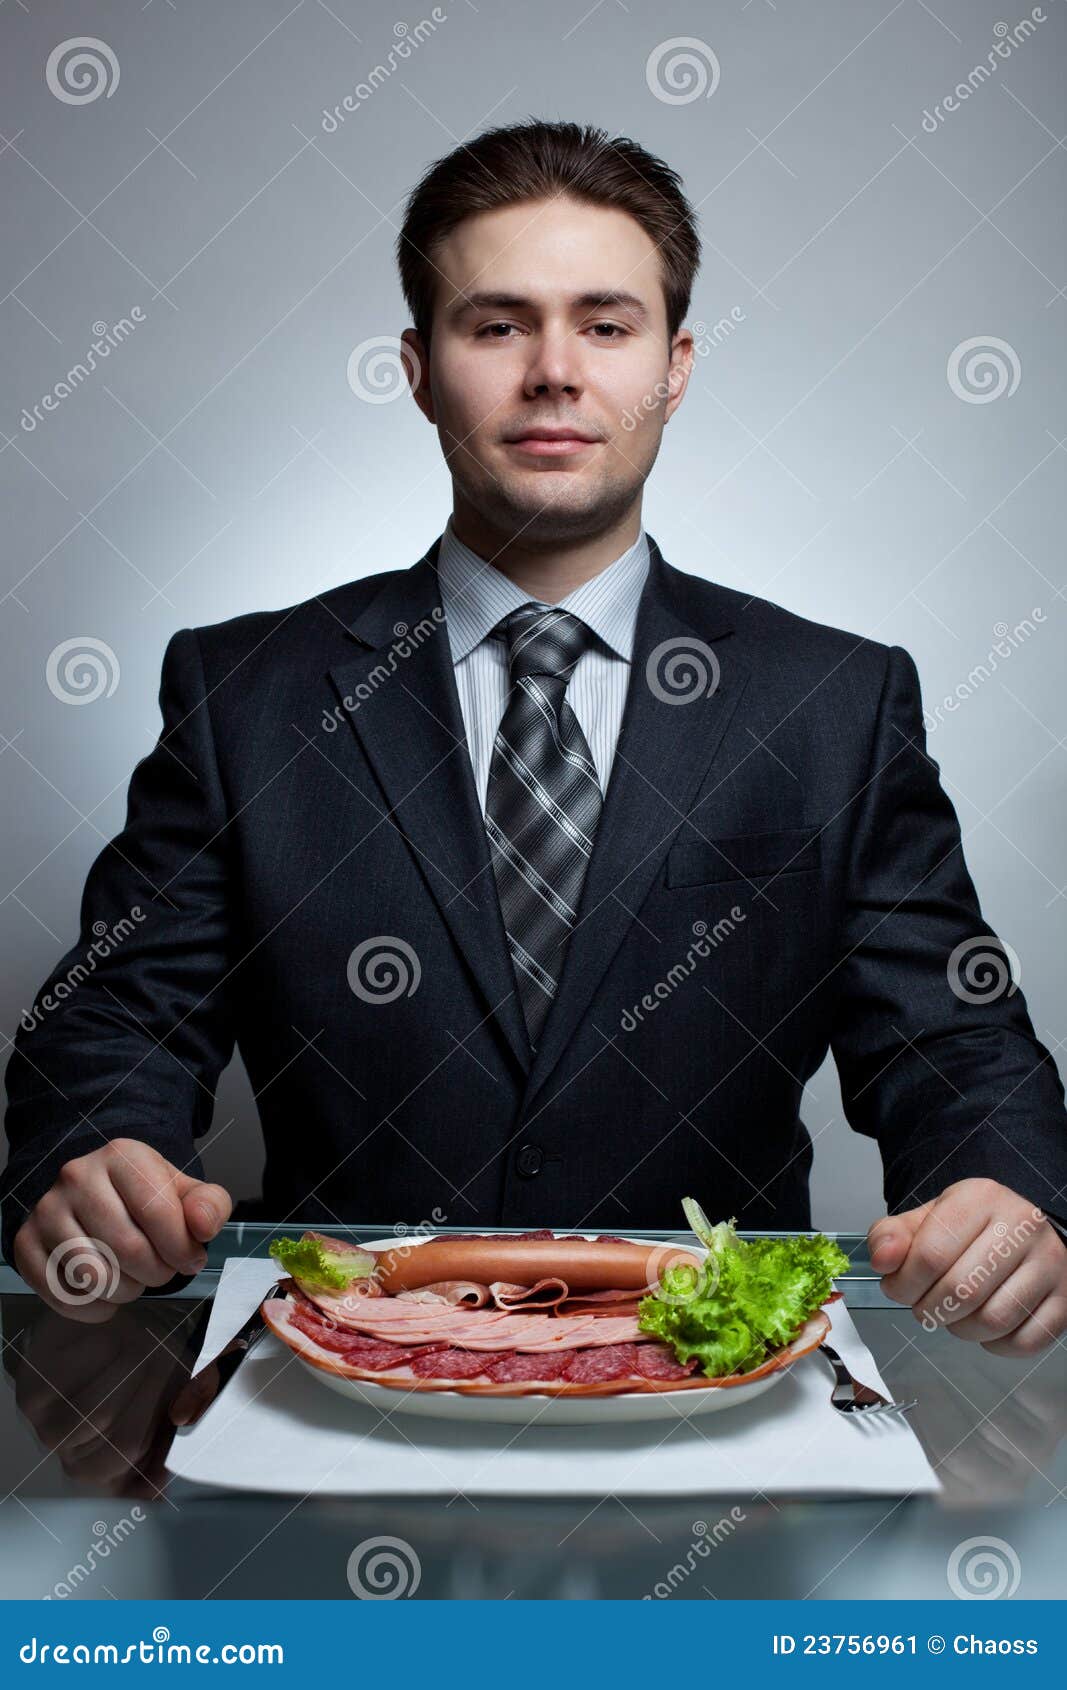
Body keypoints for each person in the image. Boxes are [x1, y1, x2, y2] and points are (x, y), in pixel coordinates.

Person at [3, 120, 1066, 1355]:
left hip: (714, 1405)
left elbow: (953, 1037)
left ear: (674, 367)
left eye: (605, 326)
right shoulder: (246, 691)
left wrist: (1007, 1187)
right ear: (416, 368)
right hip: (344, 1396)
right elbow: (116, 1021)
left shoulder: (832, 701)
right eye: (495, 324)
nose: (553, 371)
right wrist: (95, 1153)